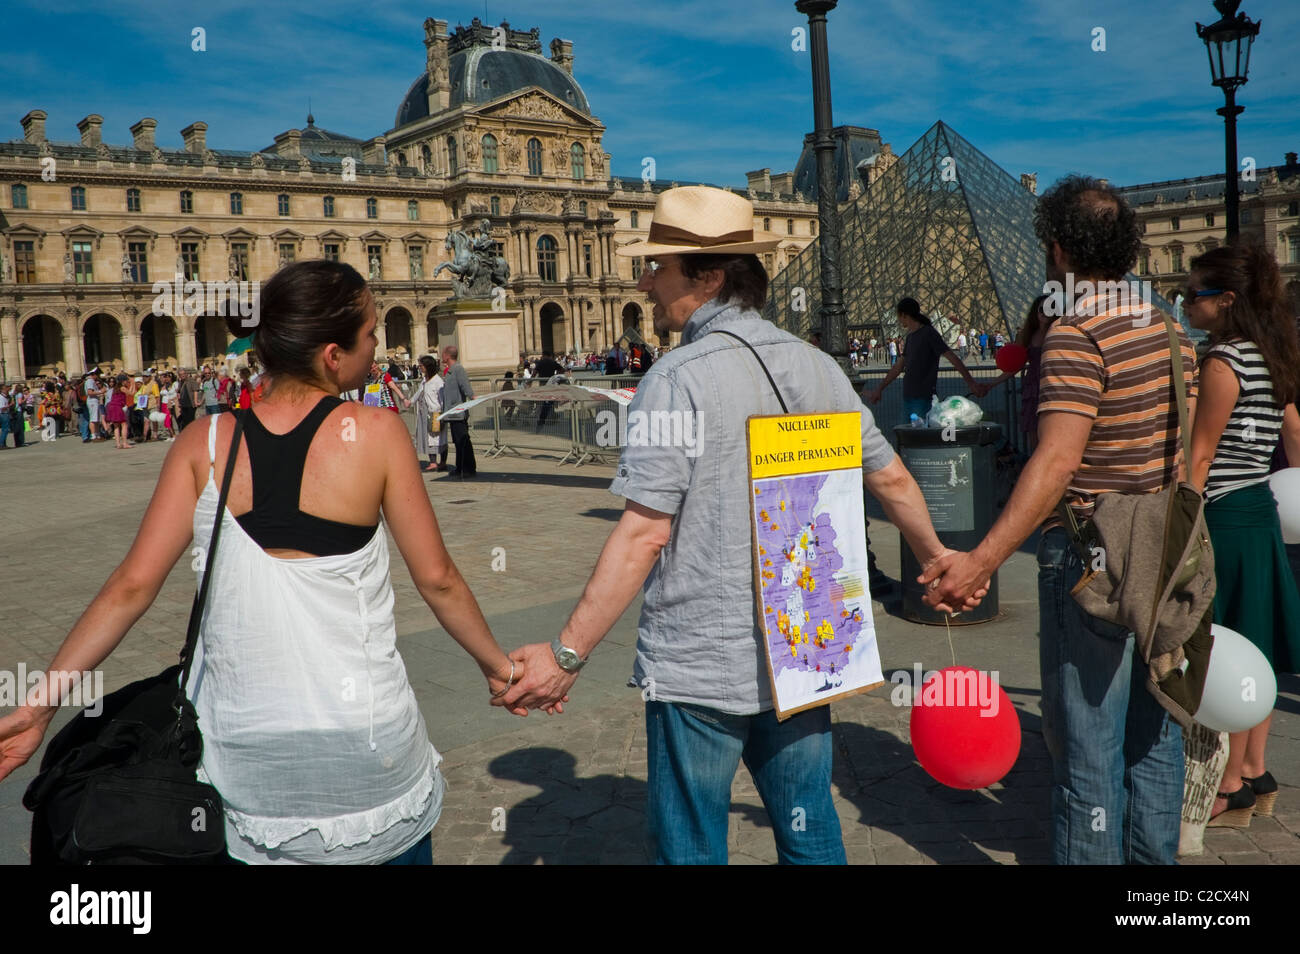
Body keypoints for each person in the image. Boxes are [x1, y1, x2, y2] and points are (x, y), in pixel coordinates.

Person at [495, 186, 983, 864]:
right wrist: (939, 562)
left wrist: (567, 654)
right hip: (806, 643)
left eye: (658, 266)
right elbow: (892, 477)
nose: (644, 282)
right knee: (811, 834)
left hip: (702, 663)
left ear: (710, 277)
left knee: (691, 847)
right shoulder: (818, 366)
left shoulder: (677, 378)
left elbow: (643, 532)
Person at [0, 259, 526, 864]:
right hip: (369, 757)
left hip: (245, 771)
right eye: (371, 331)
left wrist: (39, 704)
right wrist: (500, 670)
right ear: (333, 354)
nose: (378, 343)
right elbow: (438, 579)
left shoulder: (206, 441)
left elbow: (130, 588)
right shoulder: (378, 434)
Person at [922, 175, 1197, 864]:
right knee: (1156, 729)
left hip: (1093, 552)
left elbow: (1056, 462)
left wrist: (981, 560)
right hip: (1168, 544)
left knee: (1086, 746)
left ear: (1058, 250)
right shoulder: (1169, 329)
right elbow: (1186, 457)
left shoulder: (1076, 331)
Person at [1184, 242, 1300, 827]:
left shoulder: (1224, 360)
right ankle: (1255, 769)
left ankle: (1227, 784)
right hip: (1259, 509)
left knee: (1221, 647)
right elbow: (1292, 427)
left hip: (1224, 516)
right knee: (1259, 647)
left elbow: (1200, 457)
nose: (1183, 303)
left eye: (1193, 294)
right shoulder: (1272, 352)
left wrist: (1178, 525)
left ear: (1225, 300)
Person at [865, 297, 987, 424]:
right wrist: (879, 389)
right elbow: (898, 367)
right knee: (908, 439)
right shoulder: (911, 336)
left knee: (918, 439)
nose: (898, 320)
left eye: (898, 316)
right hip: (909, 397)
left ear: (904, 315)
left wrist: (971, 383)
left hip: (923, 399)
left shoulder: (928, 333)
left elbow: (952, 357)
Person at [984, 295, 1056, 454]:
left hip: (1054, 384)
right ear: (1035, 312)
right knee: (1033, 431)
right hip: (1033, 386)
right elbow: (1015, 366)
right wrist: (991, 384)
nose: (1045, 313)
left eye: (1051, 308)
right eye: (1042, 309)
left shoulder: (1062, 331)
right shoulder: (1029, 335)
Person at [440, 345, 476, 478]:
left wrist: (472, 397)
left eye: (442, 354)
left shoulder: (458, 369)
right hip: (452, 413)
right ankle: (460, 467)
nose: (441, 356)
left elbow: (465, 385)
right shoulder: (450, 371)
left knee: (463, 441)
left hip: (458, 413)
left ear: (447, 356)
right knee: (458, 441)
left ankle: (468, 468)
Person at [414, 354, 445, 472]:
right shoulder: (424, 380)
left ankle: (441, 462)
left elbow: (441, 399)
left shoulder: (438, 381)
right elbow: (418, 393)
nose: (419, 368)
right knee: (429, 437)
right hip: (425, 413)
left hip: (435, 413)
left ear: (427, 366)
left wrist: (440, 414)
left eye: (421, 366)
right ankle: (433, 461)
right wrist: (409, 401)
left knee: (437, 437)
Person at [104, 374, 132, 449]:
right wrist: (132, 384)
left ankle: (118, 444)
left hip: (111, 406)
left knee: (116, 426)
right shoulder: (122, 388)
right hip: (117, 407)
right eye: (126, 381)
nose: (127, 382)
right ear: (123, 381)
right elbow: (131, 393)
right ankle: (125, 443)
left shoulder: (115, 388)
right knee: (124, 424)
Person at [84, 370, 104, 441]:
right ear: (94, 374)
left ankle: (98, 435)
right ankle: (93, 435)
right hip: (92, 401)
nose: (98, 376)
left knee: (97, 419)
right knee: (93, 419)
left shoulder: (92, 381)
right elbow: (90, 392)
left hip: (95, 401)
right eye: (97, 375)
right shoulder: (90, 381)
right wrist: (100, 391)